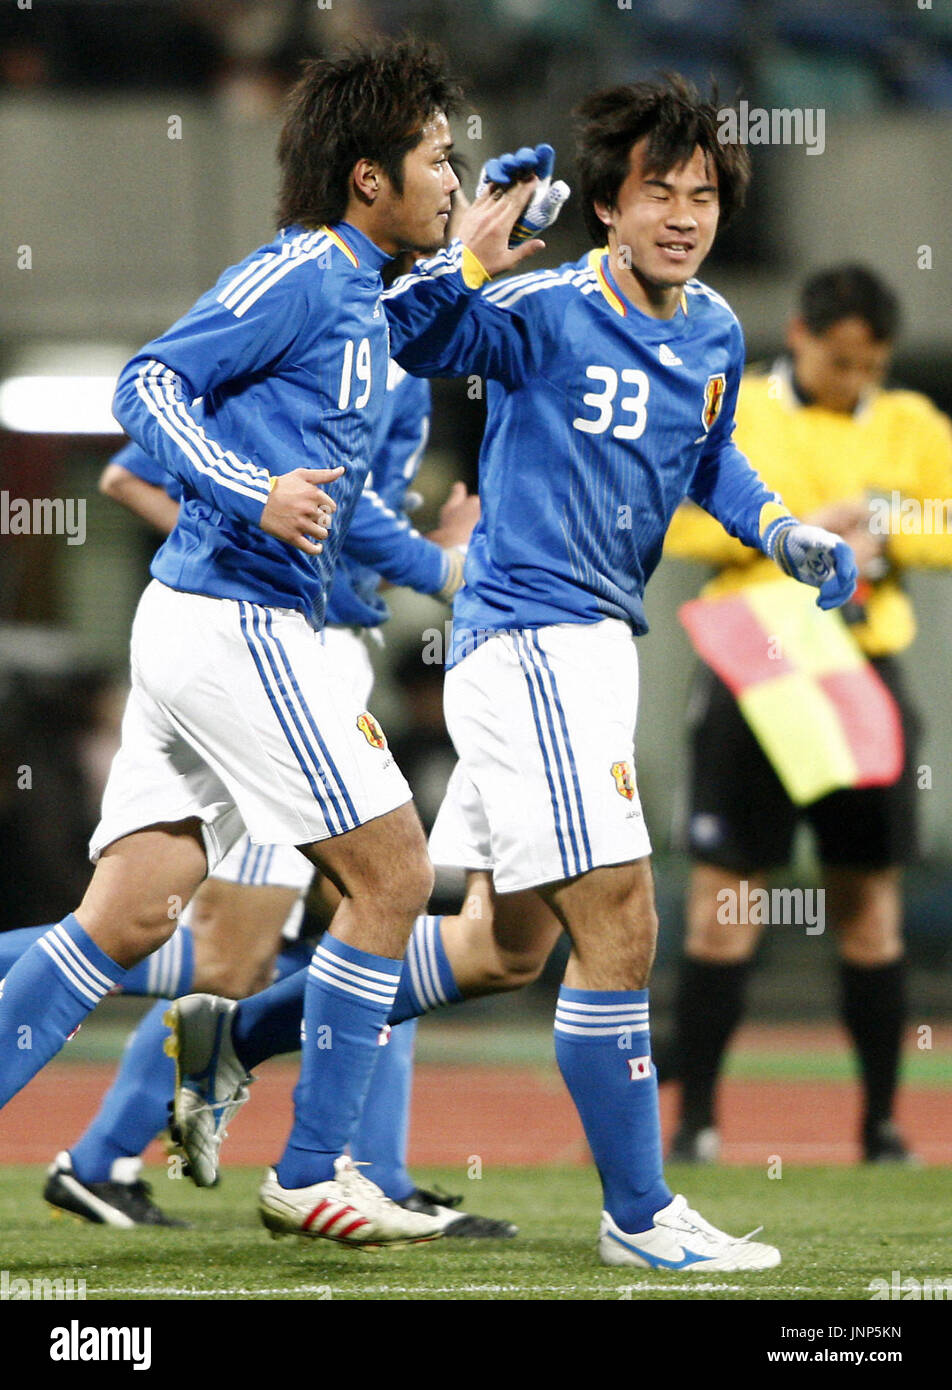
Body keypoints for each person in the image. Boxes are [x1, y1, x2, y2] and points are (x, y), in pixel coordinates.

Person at [168, 77, 860, 1271]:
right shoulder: (540, 309)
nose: (683, 214)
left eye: (702, 195)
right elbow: (411, 332)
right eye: (658, 192)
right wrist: (478, 254)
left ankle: (234, 1036)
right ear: (606, 203)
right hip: (530, 636)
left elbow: (712, 457)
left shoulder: (713, 332)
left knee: (505, 946)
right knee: (627, 920)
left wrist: (783, 529)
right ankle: (640, 1214)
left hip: (595, 644)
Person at [0, 36, 544, 1248]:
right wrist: (252, 491)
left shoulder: (366, 291)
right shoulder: (300, 269)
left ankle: (171, 1139)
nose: (452, 179)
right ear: (366, 178)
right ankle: (315, 1172)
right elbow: (144, 387)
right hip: (240, 622)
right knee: (396, 878)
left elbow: (407, 324)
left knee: (134, 915)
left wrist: (475, 256)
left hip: (217, 626)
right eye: (437, 160)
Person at [41, 377, 514, 1237]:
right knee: (233, 952)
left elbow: (343, 517)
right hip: (273, 661)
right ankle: (116, 1151)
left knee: (360, 917)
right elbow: (126, 472)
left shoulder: (384, 350)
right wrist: (433, 566)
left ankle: (370, 1170)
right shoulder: (317, 332)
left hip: (314, 650)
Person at [660, 264, 952, 1165]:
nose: (852, 381)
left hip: (860, 669)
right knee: (725, 899)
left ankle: (880, 1127)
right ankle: (697, 1124)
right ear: (799, 334)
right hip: (759, 667)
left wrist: (890, 526)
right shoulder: (736, 405)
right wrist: (791, 528)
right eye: (838, 361)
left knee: (868, 900)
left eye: (868, 366)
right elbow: (677, 520)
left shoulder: (913, 424)